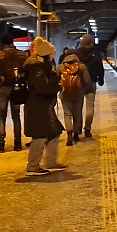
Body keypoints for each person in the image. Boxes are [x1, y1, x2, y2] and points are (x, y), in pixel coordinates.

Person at [24, 37, 65, 176]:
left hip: (44, 106)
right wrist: (58, 87)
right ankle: (32, 167)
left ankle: (51, 163)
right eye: (52, 53)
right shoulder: (37, 69)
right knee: (40, 136)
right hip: (38, 106)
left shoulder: (43, 67)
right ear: (46, 55)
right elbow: (43, 88)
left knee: (55, 132)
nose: (53, 55)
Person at [0, 34, 27, 153]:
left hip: (3, 88)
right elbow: (25, 71)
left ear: (2, 43)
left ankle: (1, 144)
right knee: (16, 116)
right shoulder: (21, 55)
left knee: (1, 117)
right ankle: (17, 144)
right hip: (16, 88)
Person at [74, 34, 104, 138]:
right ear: (91, 43)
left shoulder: (76, 54)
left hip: (79, 83)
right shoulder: (96, 54)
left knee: (78, 108)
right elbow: (100, 68)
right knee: (90, 107)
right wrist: (101, 80)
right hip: (91, 82)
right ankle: (87, 129)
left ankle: (77, 130)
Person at [58, 53, 91, 146]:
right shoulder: (81, 66)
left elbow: (56, 79)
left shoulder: (61, 67)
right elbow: (87, 81)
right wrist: (83, 89)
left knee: (67, 114)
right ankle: (76, 134)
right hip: (78, 94)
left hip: (65, 94)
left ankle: (69, 133)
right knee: (77, 113)